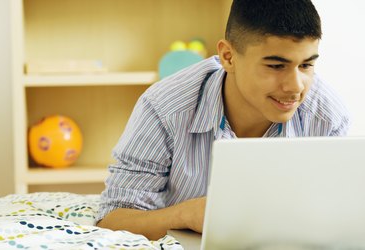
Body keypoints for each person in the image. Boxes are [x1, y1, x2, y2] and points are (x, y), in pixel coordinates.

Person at [96, 0, 350, 240]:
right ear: (228, 57)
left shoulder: (327, 116)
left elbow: (338, 217)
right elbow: (111, 220)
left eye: (306, 66)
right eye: (275, 66)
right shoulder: (164, 108)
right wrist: (186, 215)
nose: (296, 87)